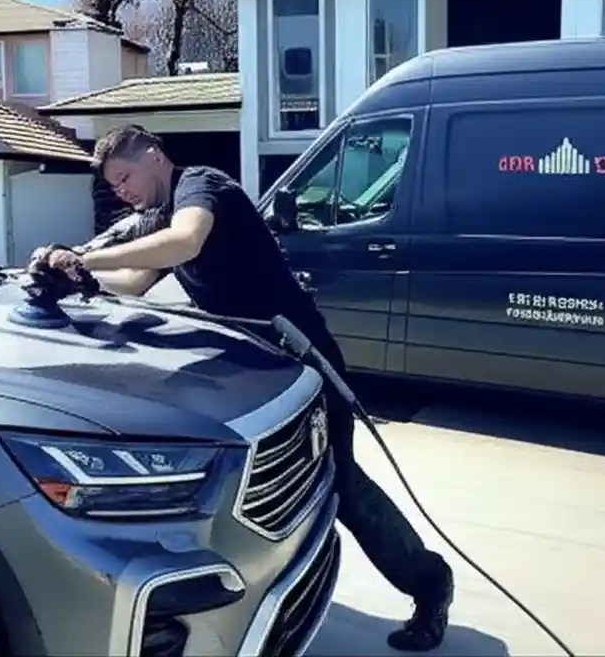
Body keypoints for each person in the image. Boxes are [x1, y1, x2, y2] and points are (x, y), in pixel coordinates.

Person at [29, 124, 455, 652]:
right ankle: (278, 594)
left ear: (155, 156)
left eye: (126, 177)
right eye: (114, 186)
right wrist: (79, 280)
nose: (123, 192)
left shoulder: (200, 187)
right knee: (273, 497)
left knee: (341, 487)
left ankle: (430, 585)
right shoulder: (161, 215)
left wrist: (85, 259)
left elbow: (185, 241)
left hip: (304, 362)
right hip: (256, 375)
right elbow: (137, 278)